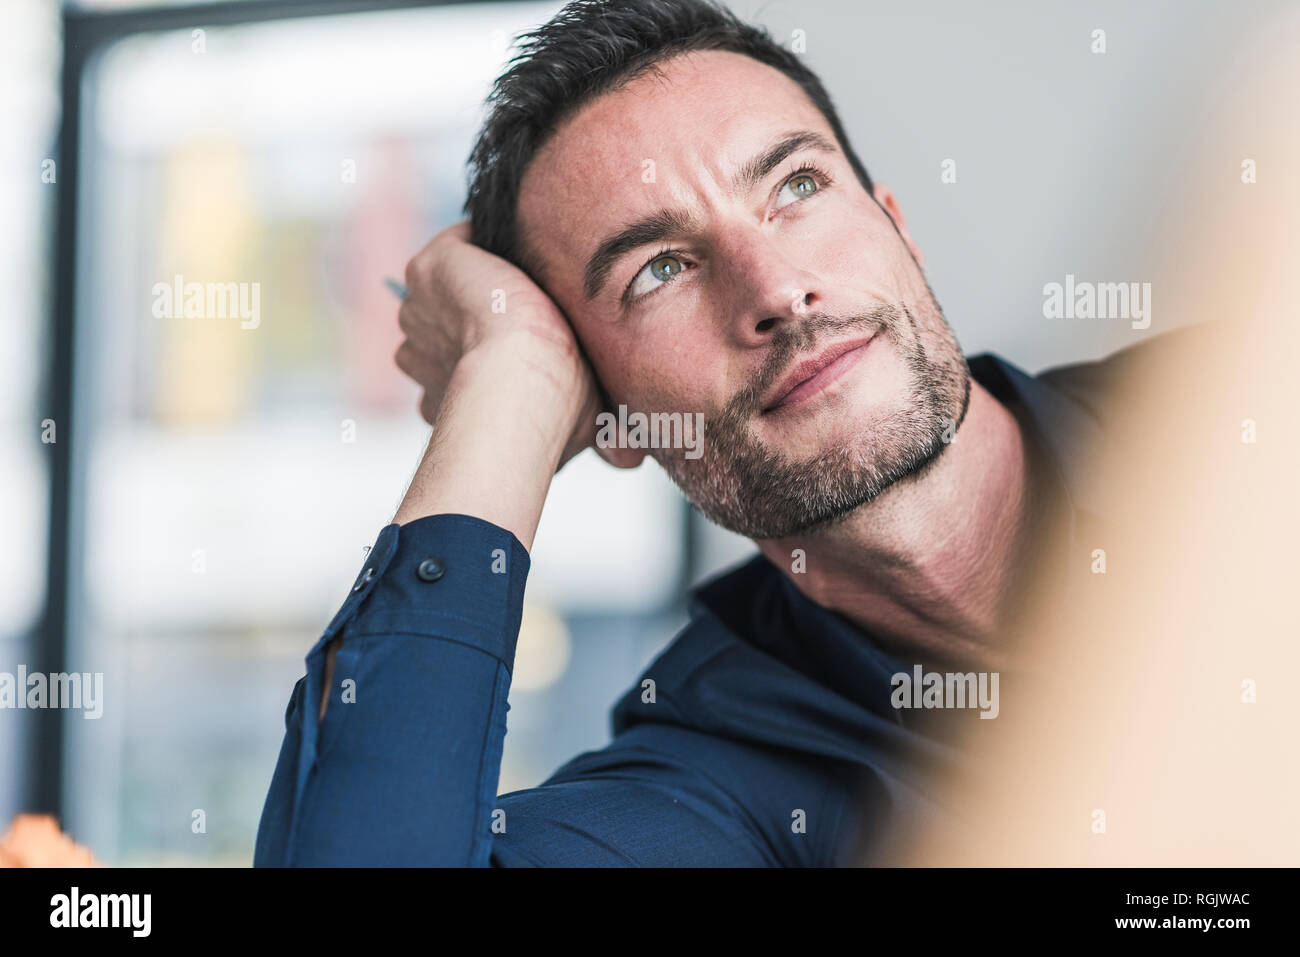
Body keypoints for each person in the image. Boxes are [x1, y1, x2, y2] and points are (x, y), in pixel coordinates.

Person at [252, 0, 1236, 866]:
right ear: (610, 417)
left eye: (797, 188)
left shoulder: (1243, 413)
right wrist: (508, 374)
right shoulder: (714, 782)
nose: (774, 291)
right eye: (658, 270)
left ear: (895, 225)